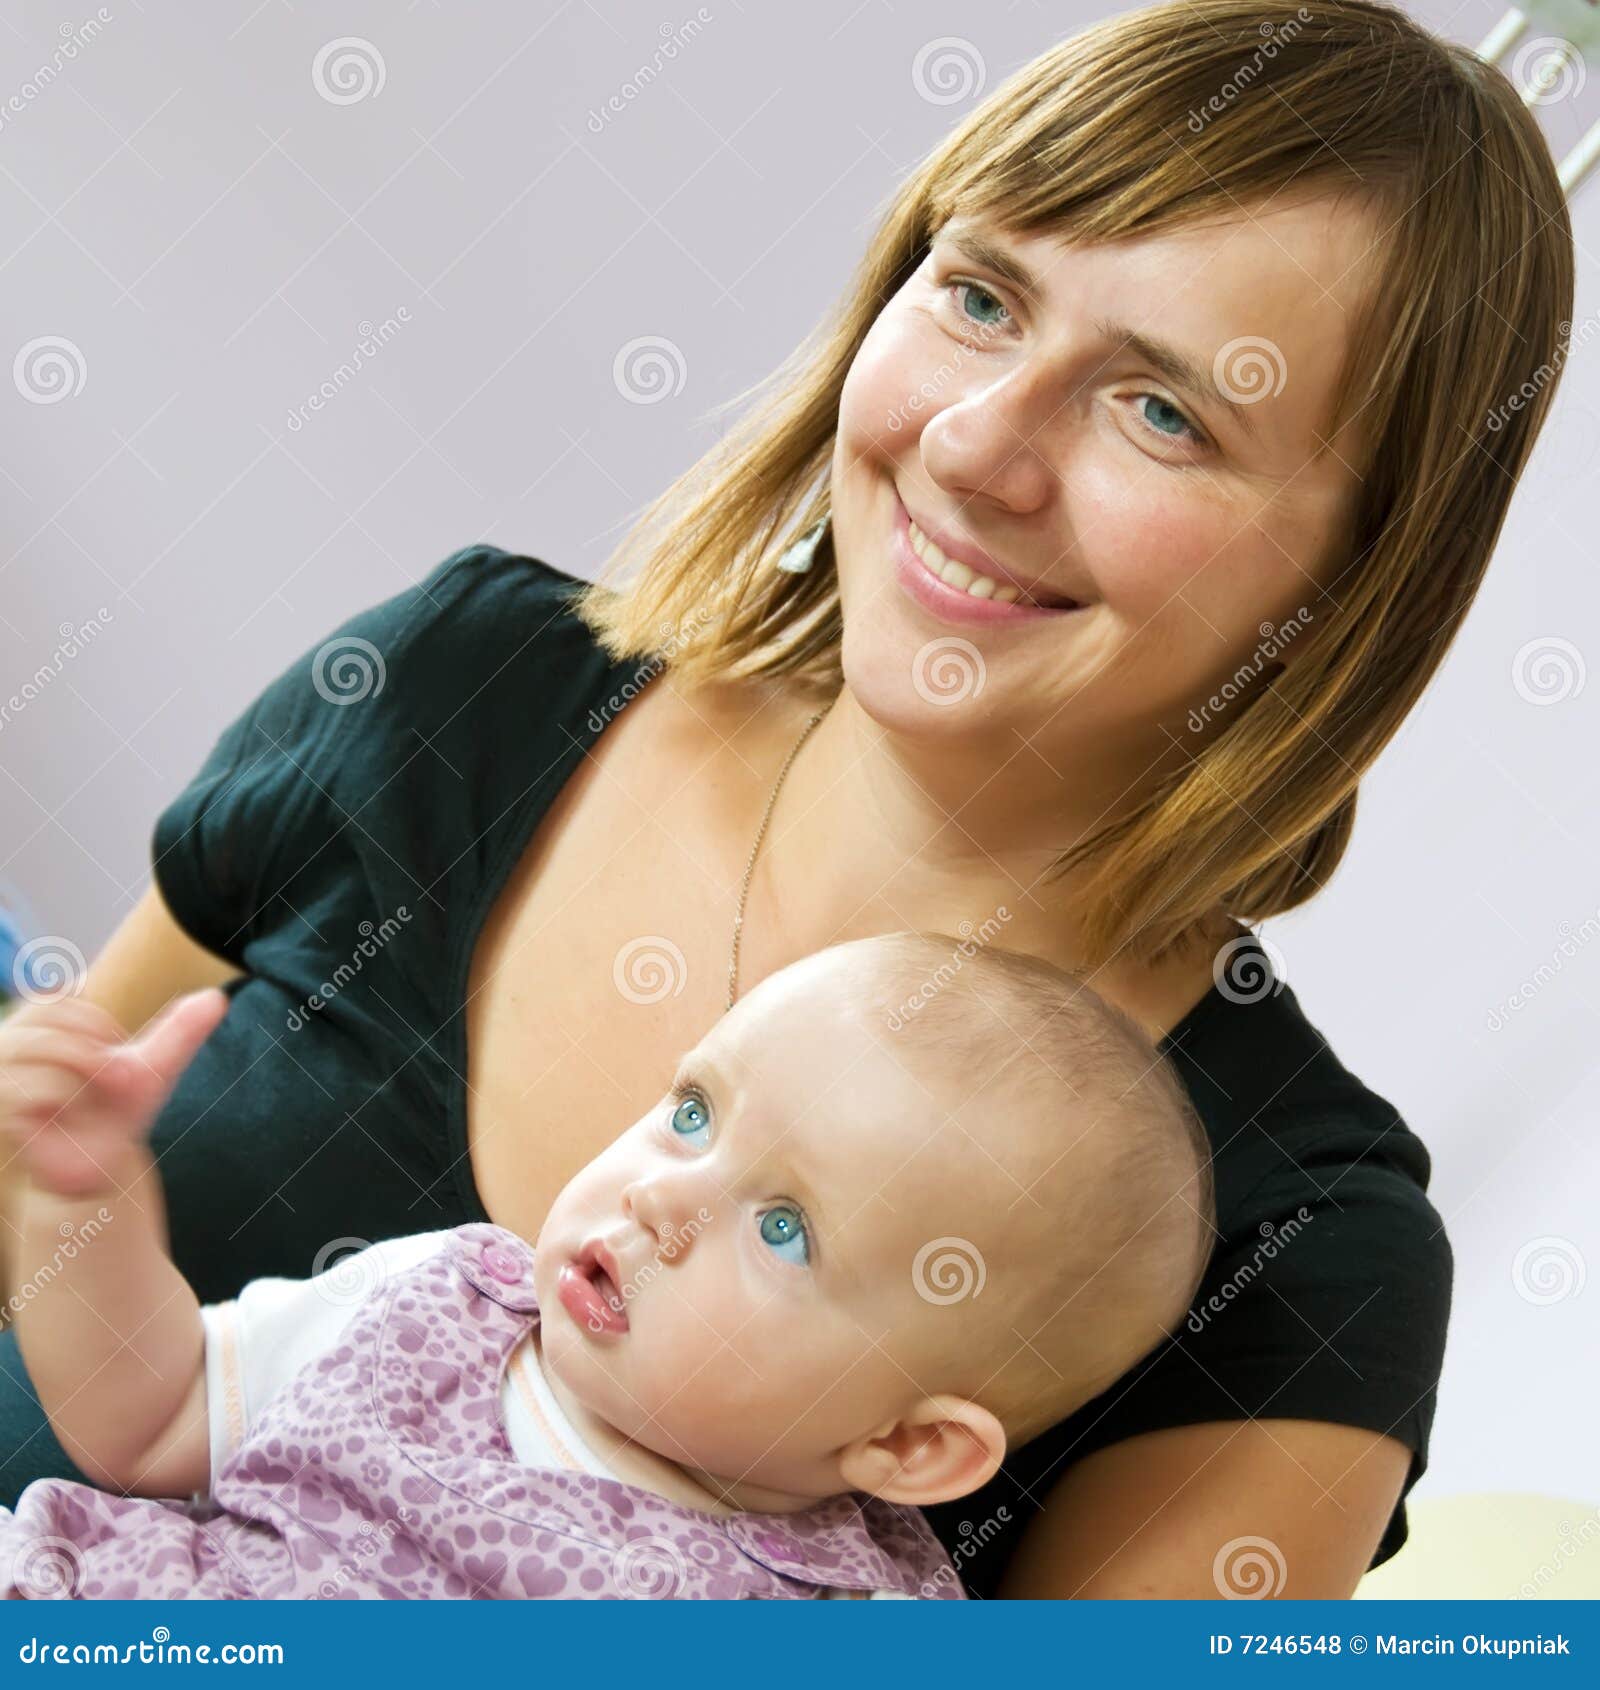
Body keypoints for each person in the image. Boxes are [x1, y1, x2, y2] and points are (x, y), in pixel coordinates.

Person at [0, 0, 1574, 1597]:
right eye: (977, 296)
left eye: (1162, 409)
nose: (977, 446)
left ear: (1361, 577)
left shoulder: (1302, 1258)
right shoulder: (456, 684)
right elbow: (38, 1184)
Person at [0, 935, 1212, 1600]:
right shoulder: (448, 1302)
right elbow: (147, 1415)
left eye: (783, 1227)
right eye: (694, 1112)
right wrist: (82, 1201)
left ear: (908, 1447)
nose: (662, 1194)